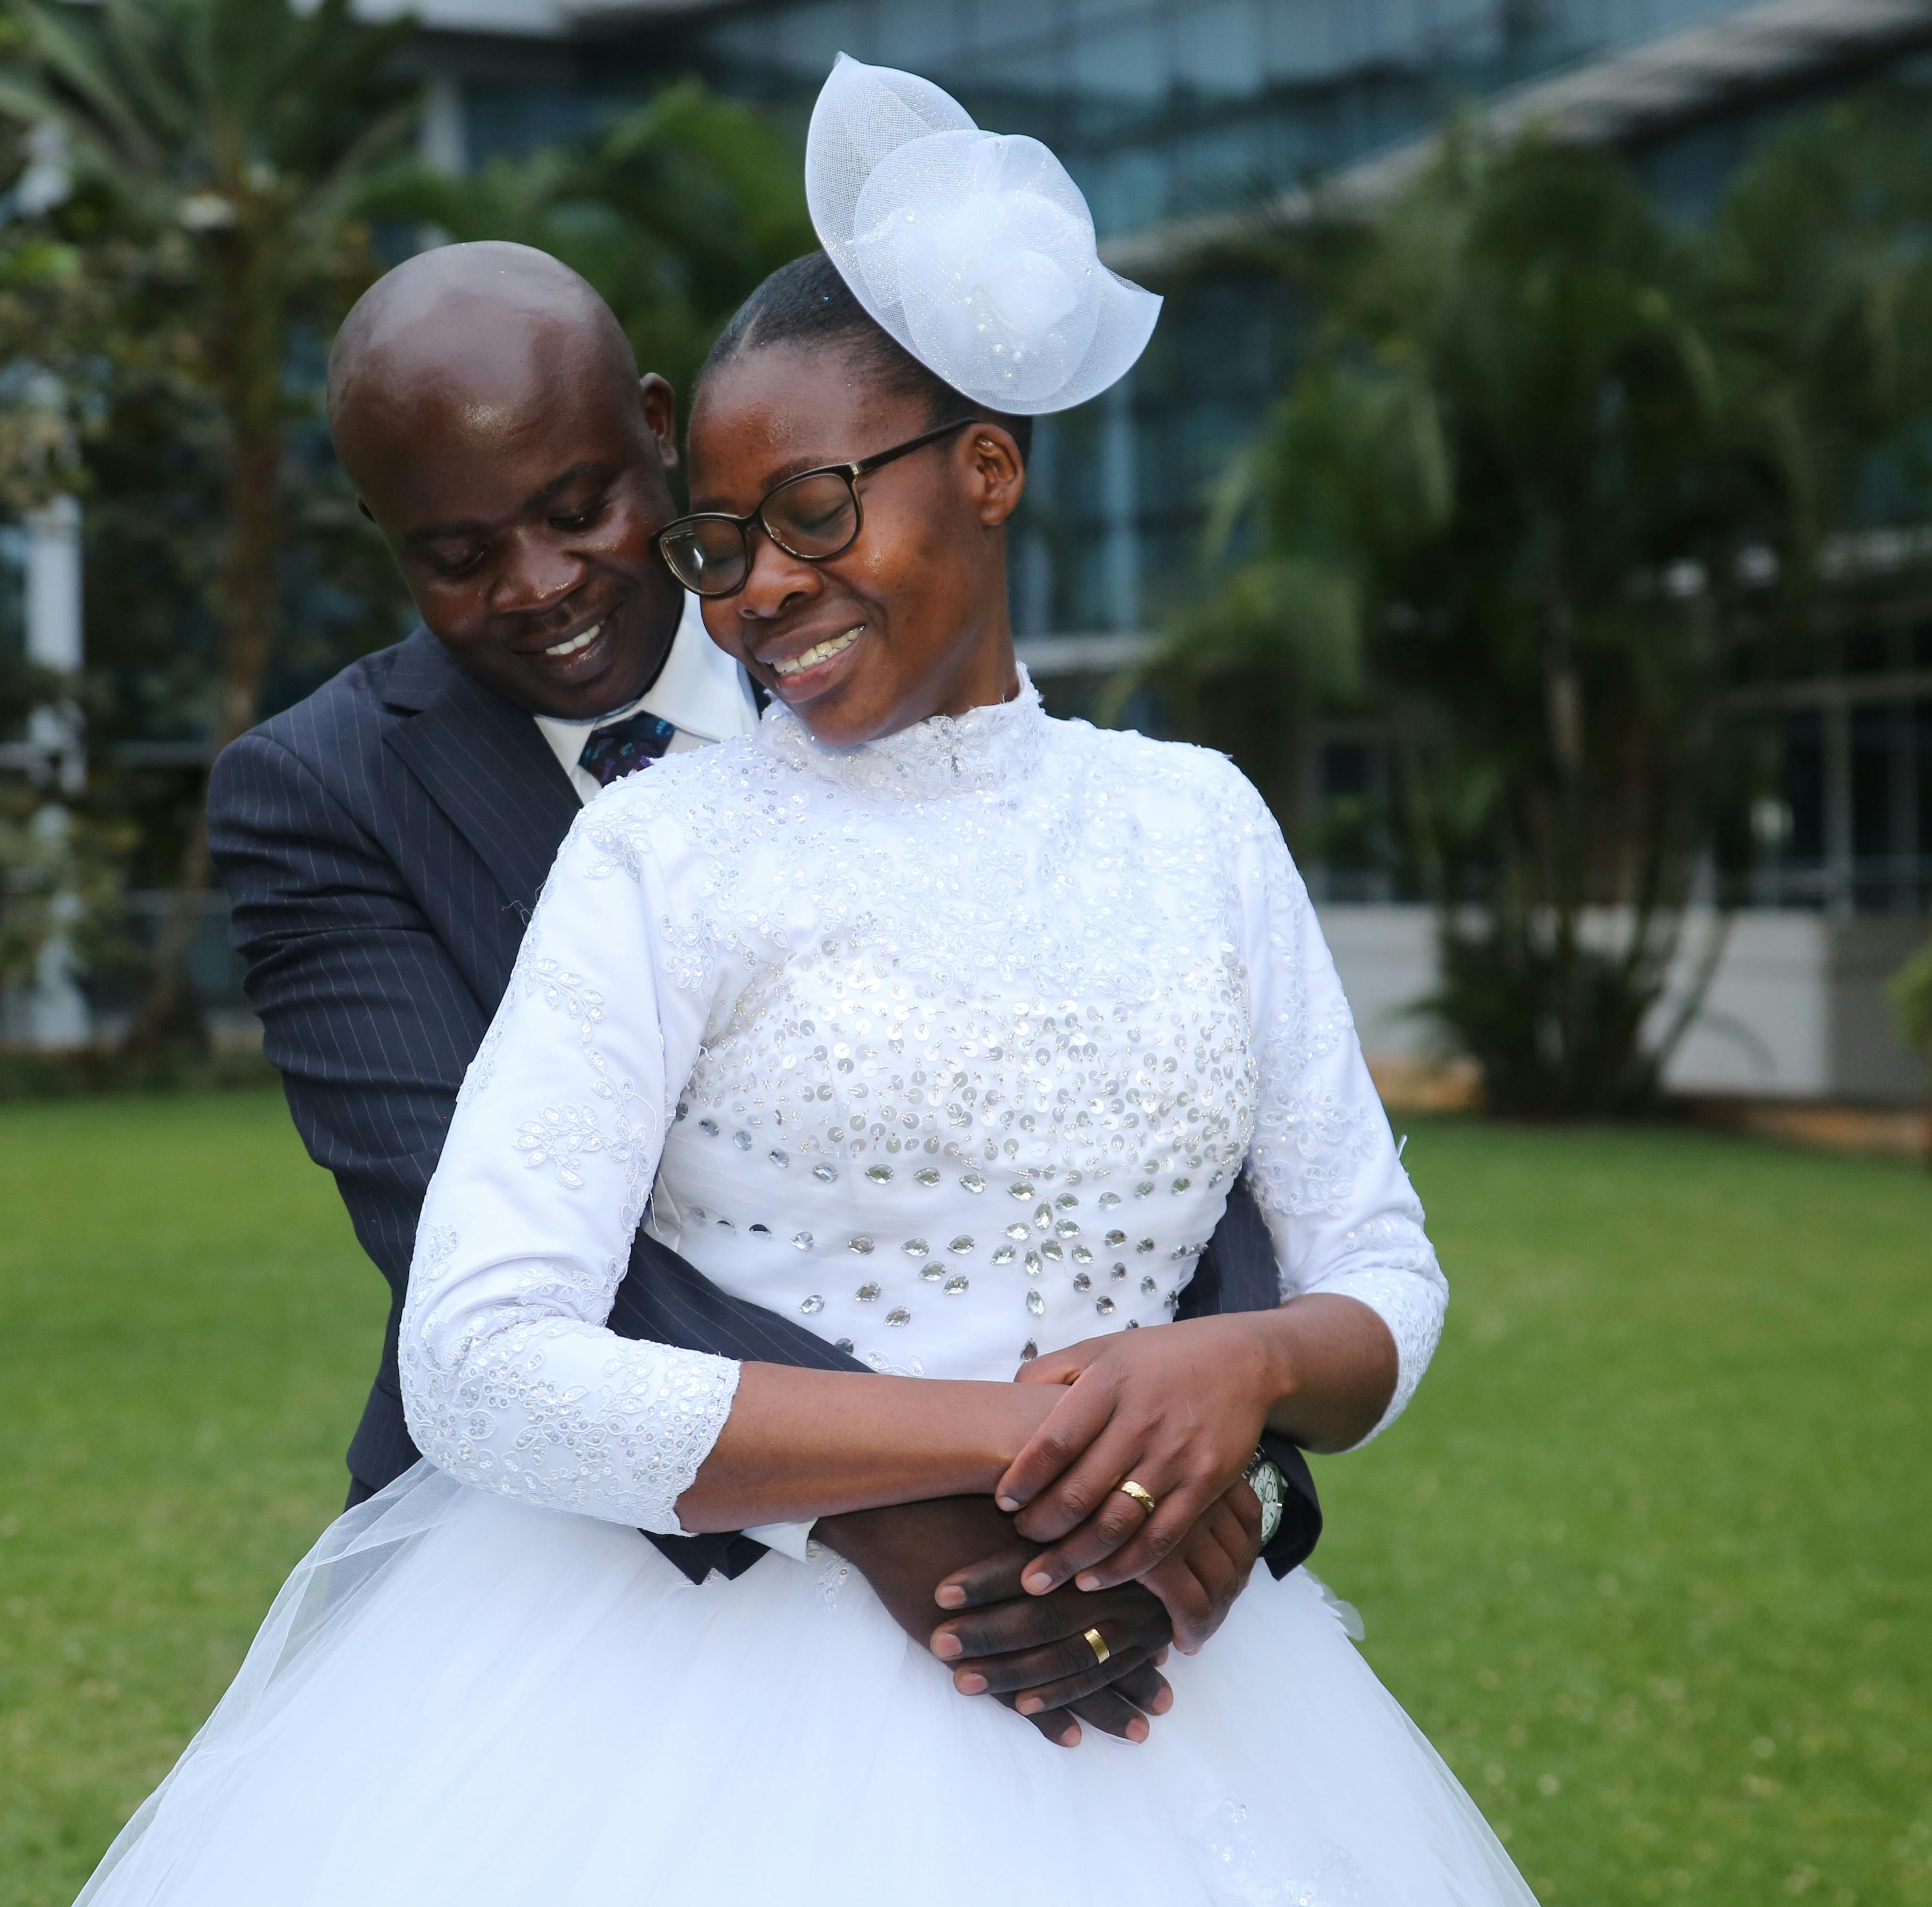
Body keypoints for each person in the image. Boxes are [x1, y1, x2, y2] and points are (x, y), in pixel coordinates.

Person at [86, 58, 1539, 1907]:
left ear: (987, 472)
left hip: (1165, 1634)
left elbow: (1330, 1243)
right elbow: (485, 1297)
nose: (736, 591)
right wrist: (1001, 1463)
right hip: (657, 1630)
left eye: (610, 512)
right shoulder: (602, 839)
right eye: (462, 556)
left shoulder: (1196, 815)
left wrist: (1215, 1433)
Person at [209, 246, 1330, 1738]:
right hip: (598, 1572)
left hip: (1093, 1535)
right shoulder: (320, 793)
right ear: (385, 537)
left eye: (578, 508)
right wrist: (889, 1497)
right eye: (458, 554)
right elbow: (451, 1226)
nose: (540, 587)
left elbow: (1132, 1066)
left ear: (657, 431)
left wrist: (1201, 1445)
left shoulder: (887, 639)